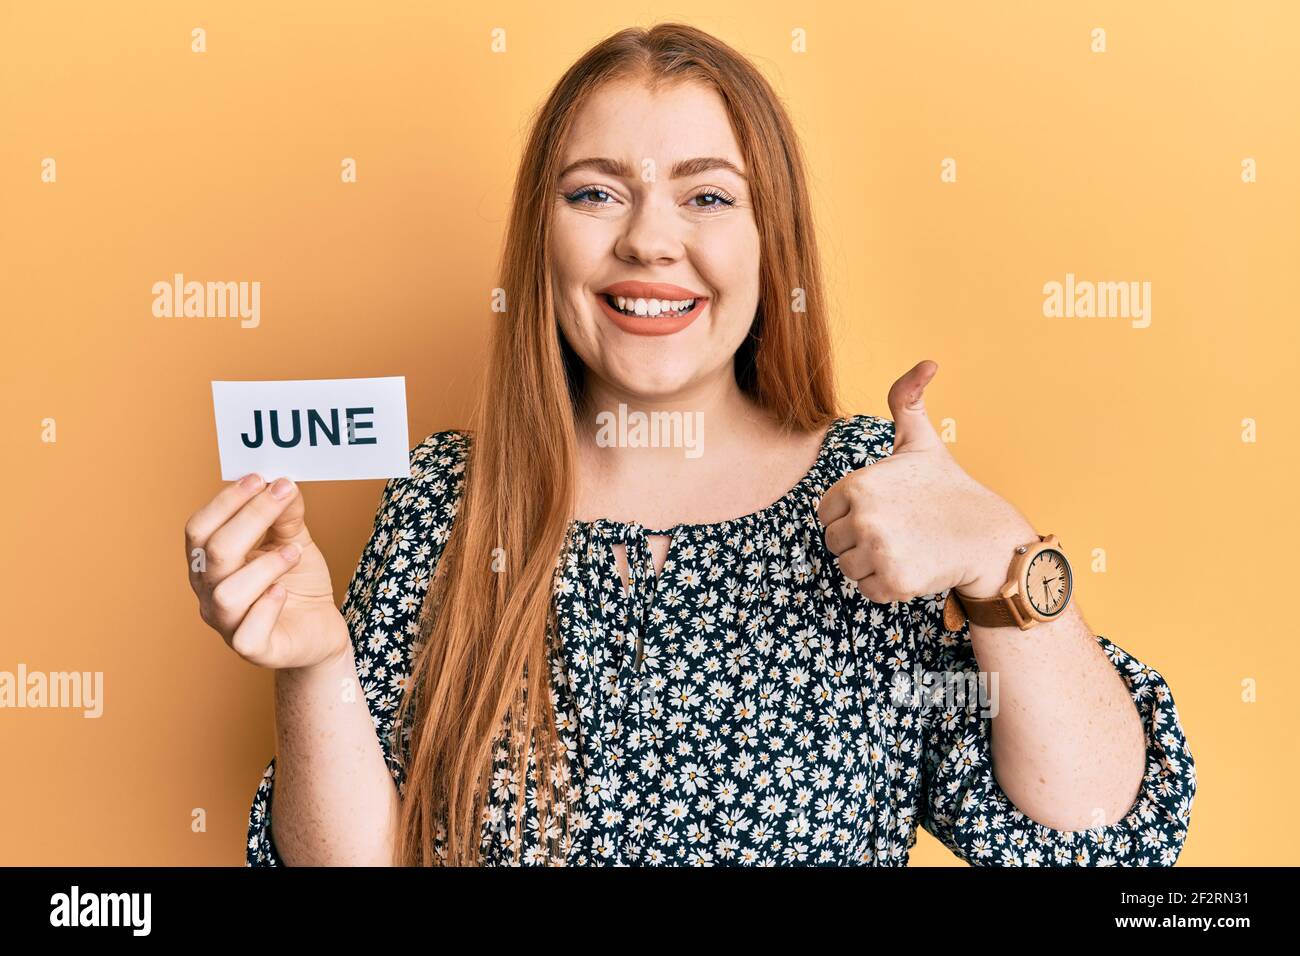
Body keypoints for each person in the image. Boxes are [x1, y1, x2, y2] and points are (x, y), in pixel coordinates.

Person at [185, 23, 1195, 866]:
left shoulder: (878, 501)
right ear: (543, 236)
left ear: (771, 236)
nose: (648, 239)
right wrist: (314, 663)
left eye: (707, 194)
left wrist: (1001, 555)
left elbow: (1097, 839)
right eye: (595, 192)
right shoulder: (448, 503)